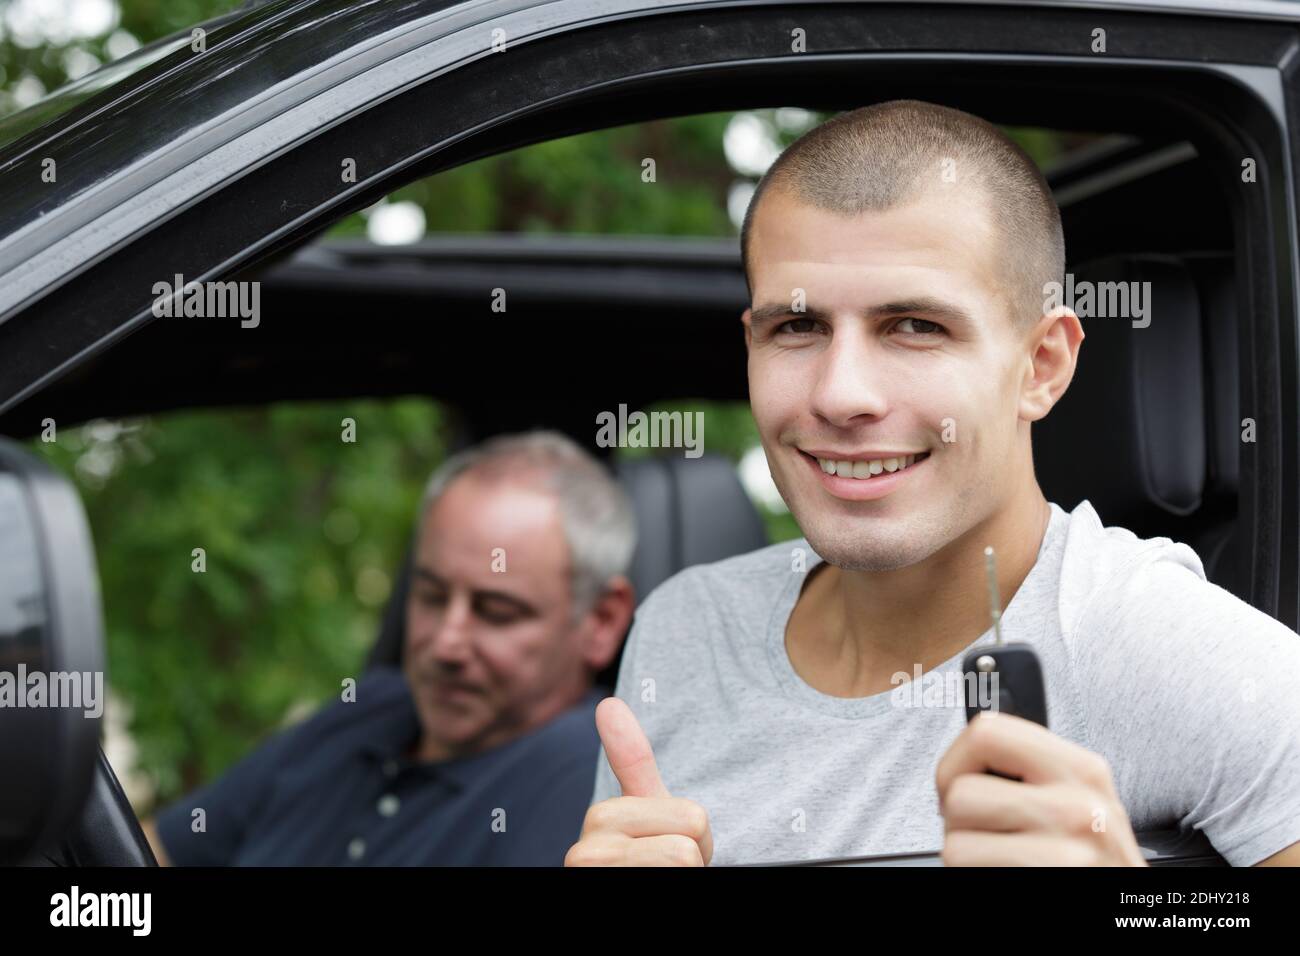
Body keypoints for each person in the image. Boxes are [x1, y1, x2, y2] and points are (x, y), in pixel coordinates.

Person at [567, 100, 1300, 867]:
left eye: (916, 326)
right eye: (798, 326)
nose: (841, 394)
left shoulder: (1158, 643)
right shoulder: (686, 629)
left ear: (1041, 366)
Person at [144, 430, 636, 865]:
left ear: (602, 620)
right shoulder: (370, 708)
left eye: (496, 612)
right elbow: (149, 852)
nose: (445, 643)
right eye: (430, 595)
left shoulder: (594, 789)